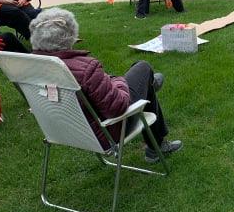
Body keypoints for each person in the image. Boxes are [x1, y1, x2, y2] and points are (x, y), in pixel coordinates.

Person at [30, 8, 182, 162]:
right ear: (70, 36)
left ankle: (149, 86)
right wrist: (117, 81)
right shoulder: (85, 69)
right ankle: (156, 142)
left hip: (61, 131)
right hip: (106, 132)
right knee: (143, 68)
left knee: (140, 80)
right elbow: (118, 108)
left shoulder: (30, 67)